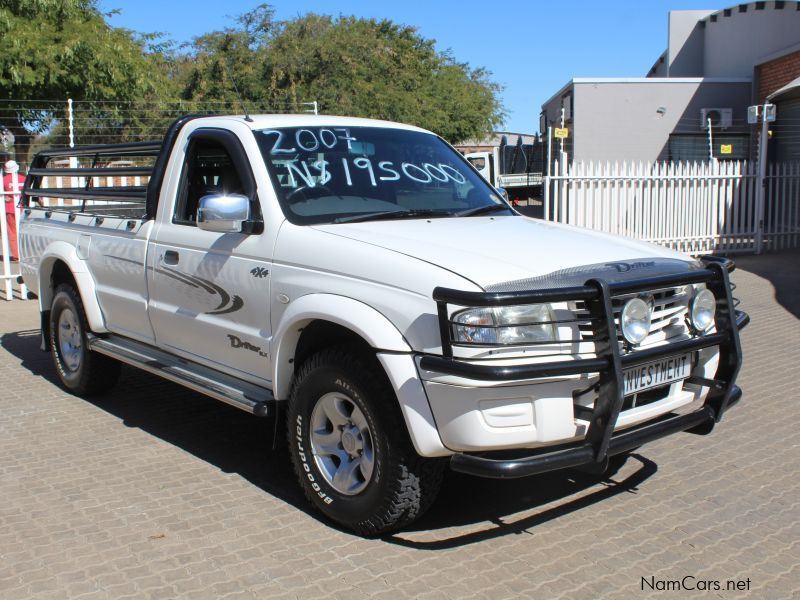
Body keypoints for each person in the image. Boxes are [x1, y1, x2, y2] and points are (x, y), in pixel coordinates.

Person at [3, 159, 24, 262]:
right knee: (23, 231)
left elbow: (3, 195)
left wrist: (7, 198)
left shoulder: (3, 180)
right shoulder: (24, 178)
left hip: (9, 209)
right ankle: (24, 253)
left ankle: (16, 255)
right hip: (22, 208)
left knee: (12, 232)